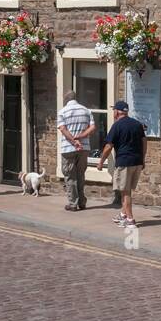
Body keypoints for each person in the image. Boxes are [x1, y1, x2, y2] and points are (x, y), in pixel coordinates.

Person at [98, 100, 146, 229]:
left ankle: (130, 220)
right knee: (128, 190)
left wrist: (101, 161)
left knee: (125, 193)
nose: (113, 112)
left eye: (114, 110)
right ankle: (123, 215)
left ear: (117, 112)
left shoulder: (117, 126)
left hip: (124, 162)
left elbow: (108, 146)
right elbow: (144, 142)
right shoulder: (137, 124)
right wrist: (143, 159)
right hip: (137, 162)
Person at [57, 89, 95, 212]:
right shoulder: (86, 110)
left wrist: (74, 141)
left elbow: (63, 129)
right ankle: (82, 202)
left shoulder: (62, 112)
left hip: (68, 148)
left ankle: (73, 203)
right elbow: (93, 127)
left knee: (70, 176)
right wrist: (81, 137)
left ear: (66, 99)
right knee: (80, 175)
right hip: (84, 148)